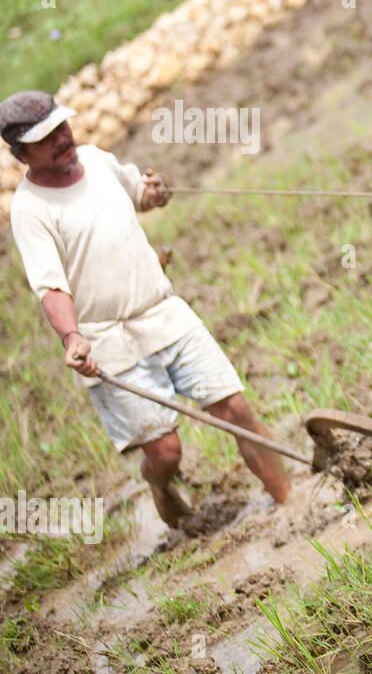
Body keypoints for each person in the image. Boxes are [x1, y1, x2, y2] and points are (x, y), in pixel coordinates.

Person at [2, 90, 290, 528]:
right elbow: (51, 286)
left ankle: (292, 504)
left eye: (62, 125)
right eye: (47, 137)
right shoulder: (31, 209)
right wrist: (72, 337)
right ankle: (159, 485)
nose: (63, 138)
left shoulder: (97, 161)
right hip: (108, 339)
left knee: (235, 409)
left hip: (162, 311)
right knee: (165, 451)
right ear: (22, 154)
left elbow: (142, 192)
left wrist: (156, 192)